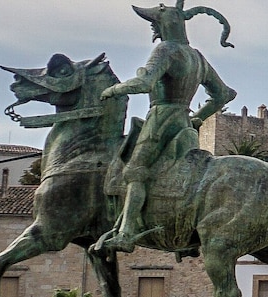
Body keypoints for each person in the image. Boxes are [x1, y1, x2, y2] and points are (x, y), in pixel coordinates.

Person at [92, 0, 237, 253]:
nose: (153, 30)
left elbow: (145, 83)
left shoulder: (166, 50)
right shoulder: (197, 58)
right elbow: (224, 94)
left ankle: (126, 233)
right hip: (184, 123)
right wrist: (199, 117)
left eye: (153, 24)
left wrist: (114, 90)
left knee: (135, 172)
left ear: (163, 24)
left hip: (160, 120)